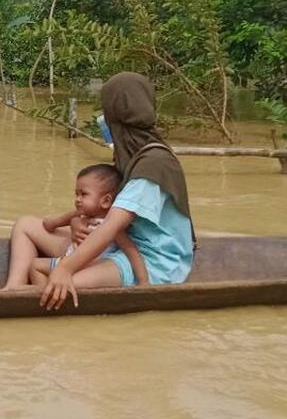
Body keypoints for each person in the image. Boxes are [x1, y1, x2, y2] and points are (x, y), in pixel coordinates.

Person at [39, 72, 196, 310]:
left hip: (153, 262)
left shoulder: (153, 164)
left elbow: (111, 225)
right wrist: (76, 223)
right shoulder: (136, 155)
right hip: (126, 245)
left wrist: (65, 269)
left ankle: (24, 296)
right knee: (30, 228)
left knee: (61, 286)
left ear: (114, 115)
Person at [3, 164, 149, 289]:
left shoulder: (111, 225)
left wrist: (143, 281)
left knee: (38, 266)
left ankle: (43, 295)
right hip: (67, 259)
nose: (77, 199)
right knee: (35, 265)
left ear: (105, 201)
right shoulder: (81, 215)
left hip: (90, 266)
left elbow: (131, 250)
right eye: (76, 194)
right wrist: (63, 222)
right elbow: (52, 223)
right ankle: (24, 289)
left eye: (83, 194)